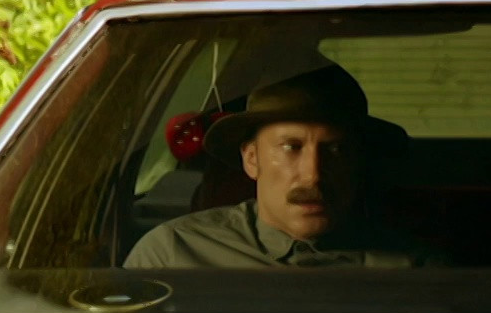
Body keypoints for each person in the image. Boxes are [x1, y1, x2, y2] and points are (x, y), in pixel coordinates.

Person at [125, 64, 434, 269]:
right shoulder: (171, 254)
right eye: (291, 147)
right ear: (251, 159)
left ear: (356, 162)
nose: (313, 174)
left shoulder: (411, 269)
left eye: (335, 150)